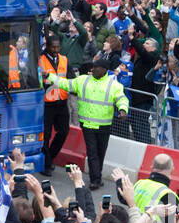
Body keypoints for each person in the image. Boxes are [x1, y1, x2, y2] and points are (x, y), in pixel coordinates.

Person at [44, 53, 128, 189]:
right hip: (87, 125)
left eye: (96, 68)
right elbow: (65, 84)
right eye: (93, 67)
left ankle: (97, 176)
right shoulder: (83, 80)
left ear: (104, 70)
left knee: (100, 152)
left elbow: (121, 99)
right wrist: (50, 76)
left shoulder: (114, 85)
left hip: (104, 125)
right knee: (92, 152)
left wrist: (123, 110)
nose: (93, 70)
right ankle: (95, 180)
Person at [38, 35, 70, 175]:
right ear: (47, 46)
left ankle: (50, 156)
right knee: (46, 135)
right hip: (46, 103)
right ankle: (46, 164)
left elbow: (69, 78)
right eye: (53, 47)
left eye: (58, 47)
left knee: (64, 131)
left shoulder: (64, 59)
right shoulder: (40, 60)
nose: (56, 50)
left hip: (61, 101)